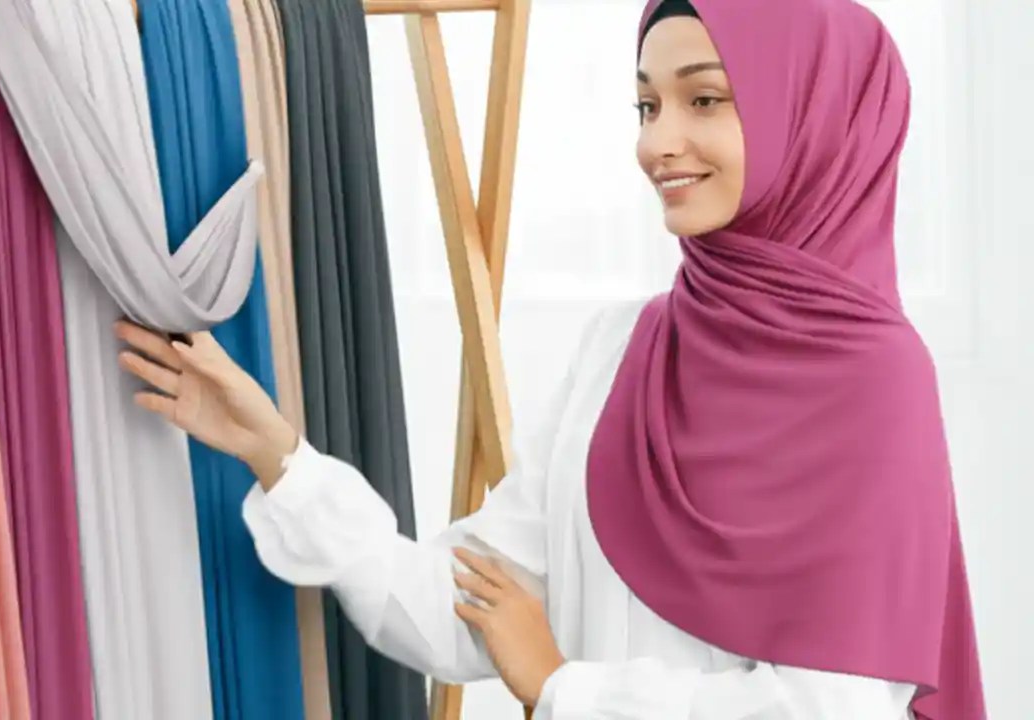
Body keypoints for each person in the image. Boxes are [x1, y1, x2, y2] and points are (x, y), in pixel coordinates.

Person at [115, 0, 985, 717]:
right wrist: (279, 457)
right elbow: (464, 610)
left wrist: (565, 688)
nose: (656, 144)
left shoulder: (876, 384)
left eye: (705, 100)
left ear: (817, 116)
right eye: (646, 107)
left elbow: (836, 705)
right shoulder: (627, 351)